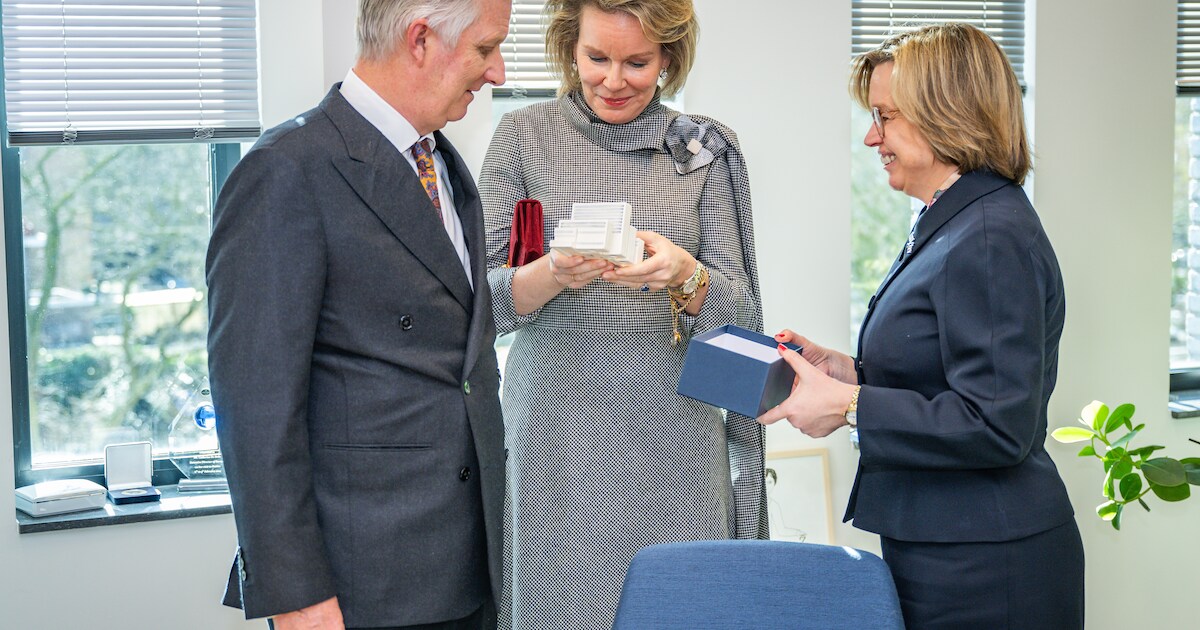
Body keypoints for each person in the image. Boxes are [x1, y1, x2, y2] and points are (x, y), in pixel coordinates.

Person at [757, 23, 1084, 630]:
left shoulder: (987, 234)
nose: (870, 136)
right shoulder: (956, 220)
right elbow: (946, 370)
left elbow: (996, 422)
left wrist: (852, 404)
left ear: (945, 114)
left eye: (886, 117)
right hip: (951, 547)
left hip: (987, 568)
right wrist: (844, 369)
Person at [206, 0, 511, 628]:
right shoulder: (286, 170)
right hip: (358, 589)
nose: (499, 72)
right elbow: (256, 413)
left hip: (465, 570)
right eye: (485, 49)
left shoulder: (444, 165)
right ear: (420, 39)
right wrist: (296, 596)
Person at [479, 1, 765, 628]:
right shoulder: (523, 137)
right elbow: (480, 309)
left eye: (637, 62)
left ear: (669, 57)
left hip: (673, 434)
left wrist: (685, 277)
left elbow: (742, 333)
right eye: (596, 57)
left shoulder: (704, 149)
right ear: (568, 47)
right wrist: (552, 273)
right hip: (553, 436)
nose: (613, 80)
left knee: (676, 608)